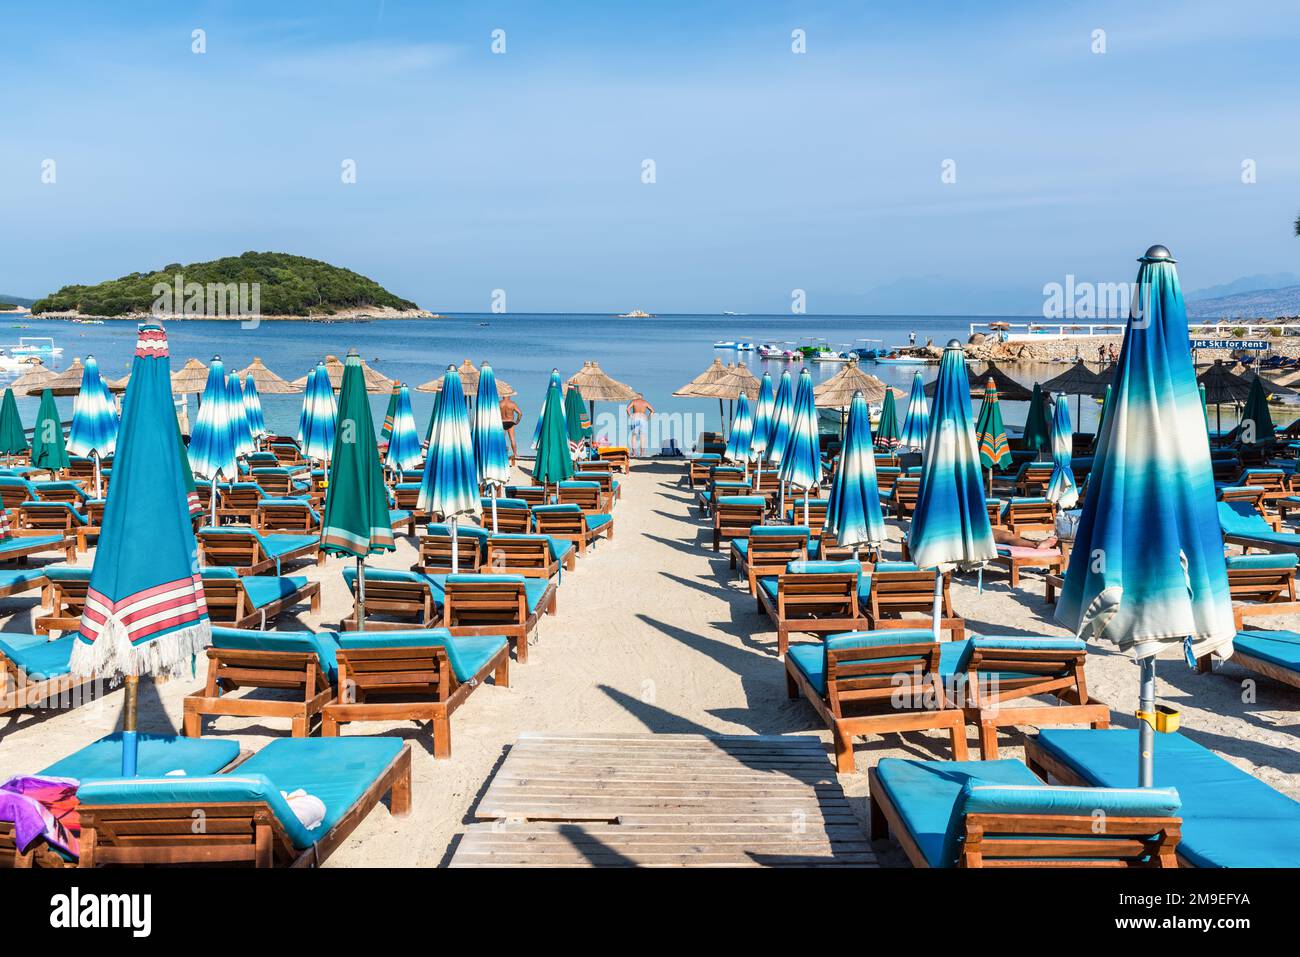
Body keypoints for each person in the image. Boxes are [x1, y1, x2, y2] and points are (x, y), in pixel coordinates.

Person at [499, 393, 522, 465]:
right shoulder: (512, 404)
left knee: (501, 439)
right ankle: (515, 454)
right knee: (512, 439)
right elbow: (520, 413)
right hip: (510, 422)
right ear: (509, 395)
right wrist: (517, 421)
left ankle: (500, 453)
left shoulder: (499, 403)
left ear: (503, 396)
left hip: (501, 422)